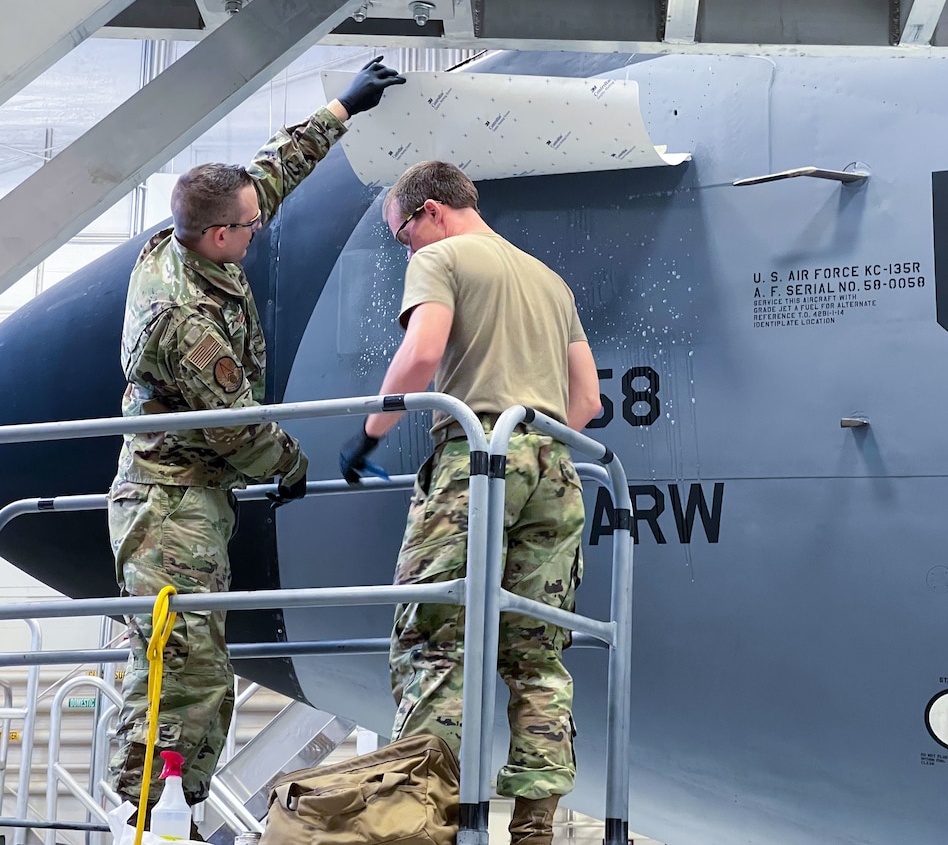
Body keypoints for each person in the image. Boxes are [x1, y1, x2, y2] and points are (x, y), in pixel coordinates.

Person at [107, 57, 405, 811]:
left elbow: (267, 175)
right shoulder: (184, 324)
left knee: (196, 660)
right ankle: (147, 809)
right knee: (180, 666)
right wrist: (295, 464)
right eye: (246, 226)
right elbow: (238, 430)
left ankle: (179, 805)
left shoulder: (194, 234)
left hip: (193, 498)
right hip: (167, 506)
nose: (259, 226)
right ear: (213, 236)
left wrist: (342, 110)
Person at [339, 161, 602, 845]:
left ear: (429, 211)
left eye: (404, 235)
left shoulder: (444, 258)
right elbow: (588, 404)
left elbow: (422, 353)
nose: (409, 248)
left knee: (432, 639)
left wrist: (369, 434)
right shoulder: (550, 281)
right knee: (537, 653)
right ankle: (537, 827)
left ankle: (424, 822)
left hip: (478, 460)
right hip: (553, 466)